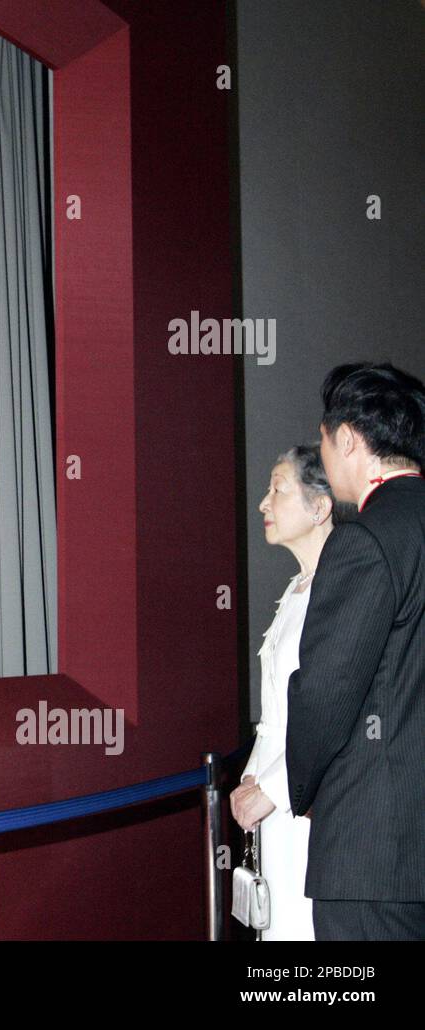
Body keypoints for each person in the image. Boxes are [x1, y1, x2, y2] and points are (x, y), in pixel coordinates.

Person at [286, 362, 425, 940]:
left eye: (323, 439)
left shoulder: (365, 538)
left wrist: (306, 787)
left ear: (347, 437)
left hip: (375, 849)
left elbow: (326, 690)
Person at [231, 445, 338, 940]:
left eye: (278, 488)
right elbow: (276, 716)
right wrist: (252, 776)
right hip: (275, 799)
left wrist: (270, 790)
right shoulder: (297, 587)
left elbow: (333, 710)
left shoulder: (338, 590)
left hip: (312, 799)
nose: (263, 503)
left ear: (320, 506)